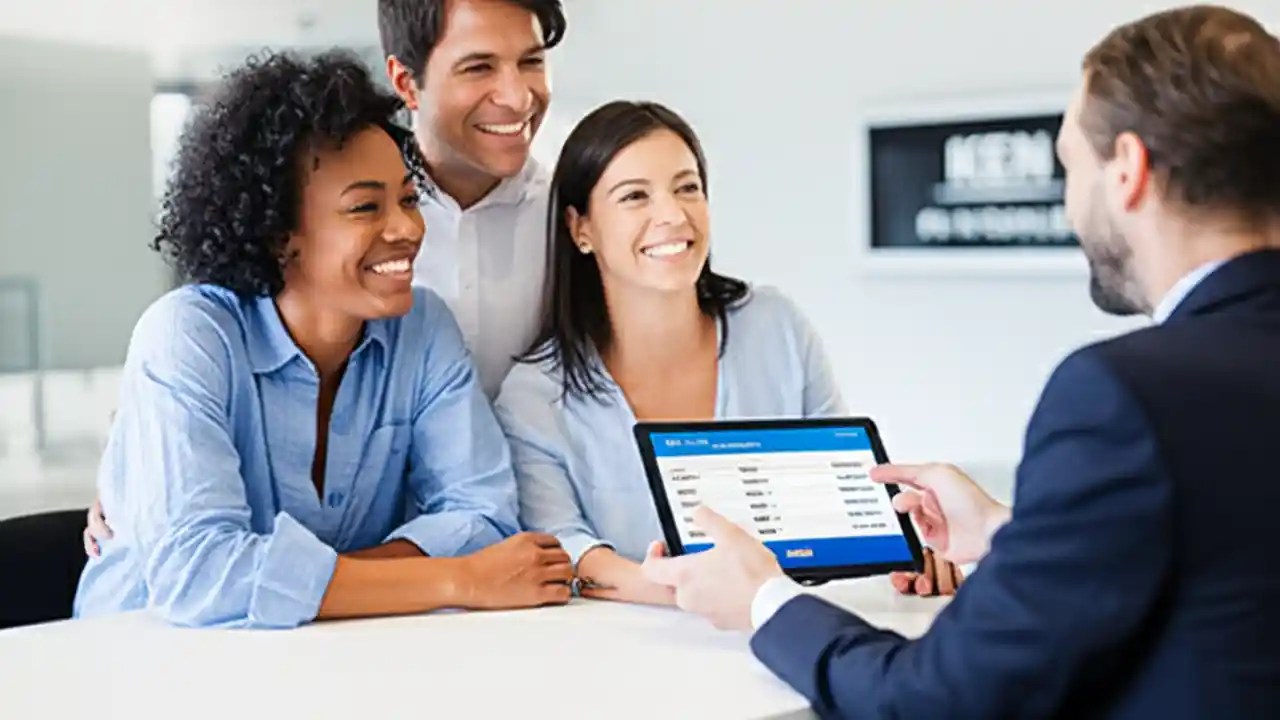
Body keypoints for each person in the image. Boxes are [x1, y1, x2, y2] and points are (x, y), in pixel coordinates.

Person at [641, 6, 1280, 718]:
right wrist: (1009, 530)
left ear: (1127, 170)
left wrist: (763, 599)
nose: (1071, 205)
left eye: (1070, 166)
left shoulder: (1123, 394)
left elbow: (935, 701)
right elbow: (1226, 550)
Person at [73, 50, 573, 629]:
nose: (408, 228)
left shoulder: (422, 329)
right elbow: (201, 575)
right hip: (145, 650)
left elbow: (484, 516)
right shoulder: (189, 336)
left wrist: (311, 581)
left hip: (330, 648)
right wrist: (457, 579)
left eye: (408, 199)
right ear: (278, 234)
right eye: (365, 207)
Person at [492, 100, 951, 604]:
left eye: (687, 188)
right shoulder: (535, 395)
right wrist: (690, 592)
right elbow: (566, 550)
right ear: (580, 228)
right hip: (631, 639)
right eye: (635, 196)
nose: (673, 215)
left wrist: (909, 549)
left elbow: (847, 497)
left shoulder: (776, 326)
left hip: (793, 629)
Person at [379, 0, 566, 397]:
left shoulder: (574, 218)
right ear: (406, 83)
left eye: (531, 62)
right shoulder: (354, 225)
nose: (518, 99)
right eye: (479, 68)